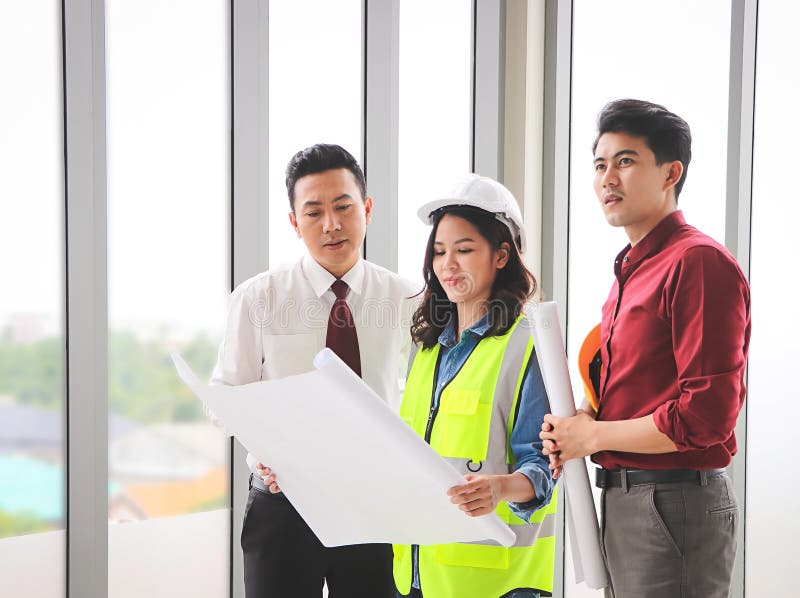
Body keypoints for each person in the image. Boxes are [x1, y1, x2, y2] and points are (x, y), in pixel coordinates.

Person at [540, 99, 751, 598]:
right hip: (628, 499)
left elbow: (705, 416)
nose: (607, 177)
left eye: (626, 161)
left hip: (673, 499)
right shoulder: (631, 270)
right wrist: (579, 423)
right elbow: (635, 391)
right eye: (599, 164)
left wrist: (591, 437)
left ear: (670, 172)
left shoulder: (696, 262)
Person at [211, 143, 417, 598]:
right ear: (294, 222)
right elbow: (224, 397)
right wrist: (262, 446)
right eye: (314, 212)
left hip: (374, 500)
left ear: (366, 208)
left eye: (344, 207)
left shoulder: (407, 299)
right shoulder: (258, 297)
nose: (331, 224)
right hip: (284, 497)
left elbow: (427, 396)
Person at [394, 174, 556, 598]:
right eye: (440, 251)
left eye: (464, 250)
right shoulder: (426, 349)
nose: (448, 264)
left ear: (501, 255)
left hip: (499, 584)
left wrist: (499, 488)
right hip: (418, 577)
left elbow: (543, 469)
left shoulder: (527, 346)